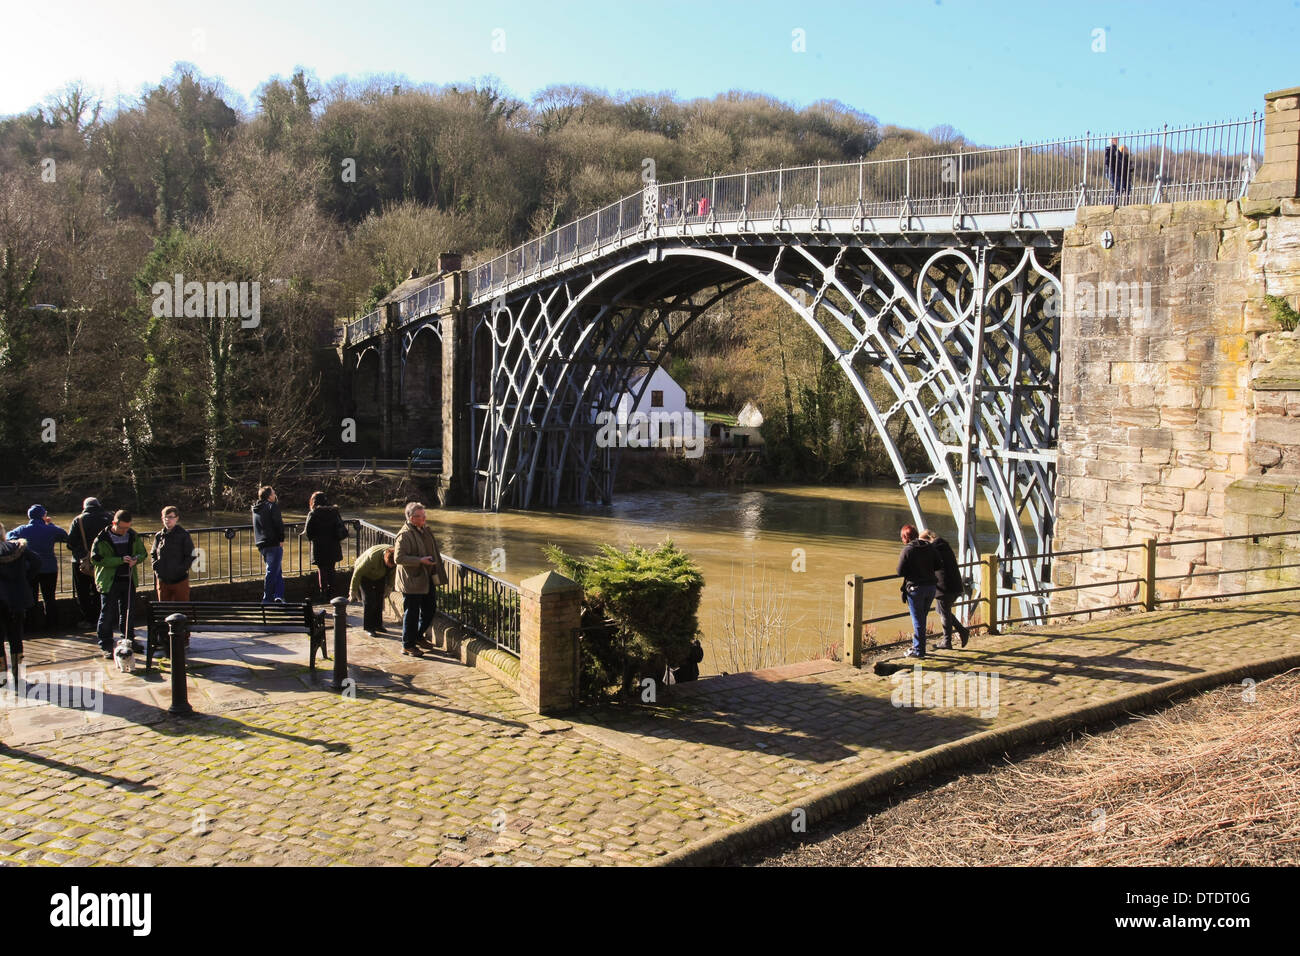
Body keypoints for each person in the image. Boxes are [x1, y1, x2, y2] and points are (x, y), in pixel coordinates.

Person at [393, 501, 448, 657]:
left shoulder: (424, 530)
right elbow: (398, 558)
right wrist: (420, 560)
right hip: (411, 580)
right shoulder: (404, 535)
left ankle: (417, 635)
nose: (424, 518)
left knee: (430, 609)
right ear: (411, 518)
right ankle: (407, 645)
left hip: (426, 577)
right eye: (420, 516)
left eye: (425, 515)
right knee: (411, 613)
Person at [91, 510, 147, 659]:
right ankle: (106, 645)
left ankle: (128, 641)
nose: (125, 531)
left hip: (128, 580)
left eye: (128, 527)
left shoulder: (133, 535)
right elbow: (96, 559)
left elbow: (143, 553)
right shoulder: (101, 539)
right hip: (109, 582)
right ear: (114, 523)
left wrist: (136, 559)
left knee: (128, 612)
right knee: (107, 613)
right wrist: (120, 560)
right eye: (122, 528)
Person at [5, 505, 69, 631]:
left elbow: (8, 537)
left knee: (31, 597)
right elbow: (65, 535)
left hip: (30, 568)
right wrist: (50, 525)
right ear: (43, 515)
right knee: (49, 597)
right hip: (49, 568)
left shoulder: (22, 530)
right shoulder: (49, 529)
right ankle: (52, 624)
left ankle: (30, 625)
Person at [0, 523, 42, 687]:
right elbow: (37, 562)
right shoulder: (17, 547)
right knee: (16, 635)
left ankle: (2, 677)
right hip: (16, 597)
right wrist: (24, 579)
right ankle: (18, 676)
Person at [921, 530, 971, 650]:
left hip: (945, 586)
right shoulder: (944, 546)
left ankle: (947, 641)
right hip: (954, 584)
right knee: (943, 611)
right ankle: (962, 631)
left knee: (944, 612)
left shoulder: (933, 549)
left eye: (922, 542)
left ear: (927, 540)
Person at [68, 497, 113, 628]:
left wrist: (81, 552)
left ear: (85, 507)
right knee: (102, 589)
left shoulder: (79, 520)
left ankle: (89, 619)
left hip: (82, 561)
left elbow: (71, 543)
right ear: (99, 505)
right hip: (104, 561)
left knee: (83, 592)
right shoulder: (109, 518)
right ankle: (103, 618)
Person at [896, 524, 938, 659]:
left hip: (916, 589)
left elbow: (899, 571)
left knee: (918, 621)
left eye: (902, 537)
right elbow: (939, 564)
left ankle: (919, 651)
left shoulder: (907, 550)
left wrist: (912, 571)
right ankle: (917, 647)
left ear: (905, 537)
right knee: (921, 618)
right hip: (931, 587)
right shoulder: (929, 547)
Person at [302, 491, 347, 601]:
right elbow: (341, 528)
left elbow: (308, 532)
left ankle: (323, 594)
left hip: (319, 547)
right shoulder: (334, 512)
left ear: (313, 502)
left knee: (322, 570)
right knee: (331, 569)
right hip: (333, 545)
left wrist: (315, 538)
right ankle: (332, 593)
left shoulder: (313, 514)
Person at [151, 506, 196, 602]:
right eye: (165, 517)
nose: (168, 520)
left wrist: (180, 569)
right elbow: (153, 553)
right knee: (164, 610)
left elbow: (191, 555)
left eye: (171, 517)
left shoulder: (183, 535)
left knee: (183, 609)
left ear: (177, 518)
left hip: (180, 580)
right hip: (162, 580)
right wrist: (156, 568)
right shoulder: (159, 536)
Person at [349, 544, 397, 635]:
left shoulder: (395, 558)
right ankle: (369, 627)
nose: (391, 567)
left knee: (379, 599)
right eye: (389, 565)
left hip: (380, 575)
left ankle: (378, 625)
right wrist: (353, 590)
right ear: (385, 559)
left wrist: (390, 587)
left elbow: (392, 573)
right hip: (365, 575)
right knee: (369, 600)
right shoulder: (372, 558)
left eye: (392, 566)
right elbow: (358, 572)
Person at [252, 486, 285, 603]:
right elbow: (278, 524)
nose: (275, 495)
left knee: (276, 570)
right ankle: (268, 599)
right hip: (273, 543)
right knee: (272, 571)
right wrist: (281, 539)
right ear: (269, 496)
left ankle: (278, 596)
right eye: (274, 493)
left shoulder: (256, 508)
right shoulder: (272, 507)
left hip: (262, 544)